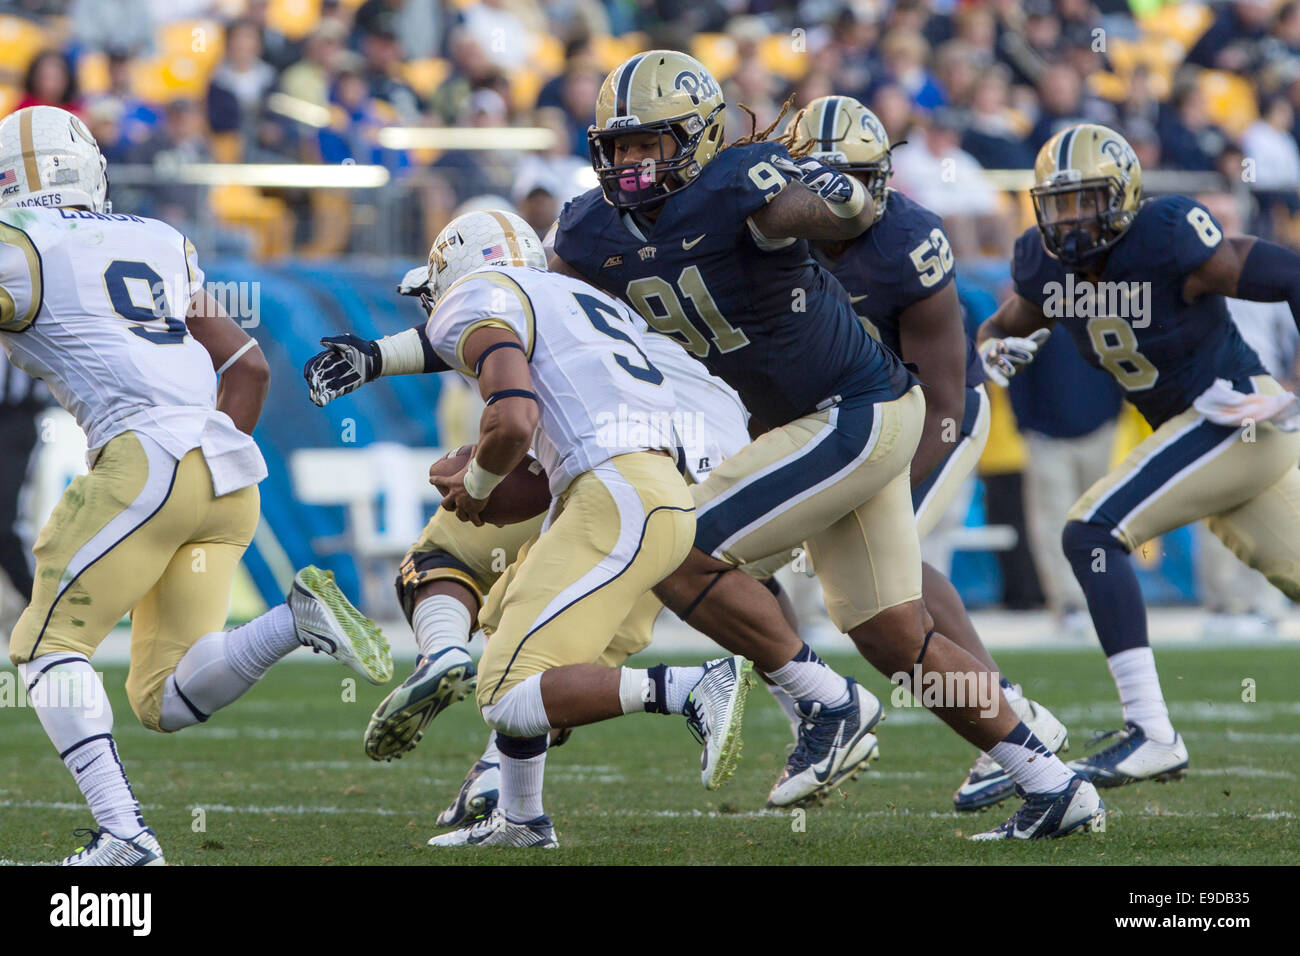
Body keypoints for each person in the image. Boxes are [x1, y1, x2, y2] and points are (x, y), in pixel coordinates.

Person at [551, 51, 1101, 839]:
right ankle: (1052, 782)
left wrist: (829, 196)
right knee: (891, 633)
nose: (633, 164)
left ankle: (821, 699)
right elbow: (541, 310)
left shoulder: (743, 185)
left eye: (652, 144)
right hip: (827, 421)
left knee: (672, 544)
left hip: (852, 412)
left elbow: (818, 216)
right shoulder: (587, 225)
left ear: (701, 137)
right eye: (621, 146)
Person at [0, 106, 392, 866]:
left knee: (47, 645)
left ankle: (126, 836)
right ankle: (292, 622)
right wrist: (200, 462)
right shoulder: (157, 238)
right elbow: (247, 366)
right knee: (165, 698)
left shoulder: (19, 245)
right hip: (224, 469)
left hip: (142, 459)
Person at [305, 209, 751, 848]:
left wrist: (475, 483)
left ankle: (686, 687)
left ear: (461, 274)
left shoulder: (477, 300)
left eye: (438, 289)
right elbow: (537, 442)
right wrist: (377, 358)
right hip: (648, 493)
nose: (435, 306)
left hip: (617, 494)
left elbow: (512, 419)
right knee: (515, 634)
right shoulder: (581, 304)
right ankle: (520, 819)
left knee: (506, 690)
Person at [978, 123, 1300, 788]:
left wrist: (1295, 386)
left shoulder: (1168, 238)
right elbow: (1005, 324)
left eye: (1085, 200)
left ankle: (1152, 730)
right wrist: (990, 346)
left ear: (1122, 196)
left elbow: (1293, 273)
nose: (1069, 219)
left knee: (1092, 532)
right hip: (1202, 442)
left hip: (1232, 417)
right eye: (1058, 203)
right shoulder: (1044, 267)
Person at [792, 94, 1068, 814]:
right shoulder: (774, 239)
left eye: (847, 183)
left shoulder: (905, 242)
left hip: (933, 417)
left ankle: (1010, 721)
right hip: (852, 422)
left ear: (878, 180)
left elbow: (944, 395)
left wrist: (879, 487)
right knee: (891, 581)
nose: (832, 205)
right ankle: (1011, 720)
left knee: (895, 574)